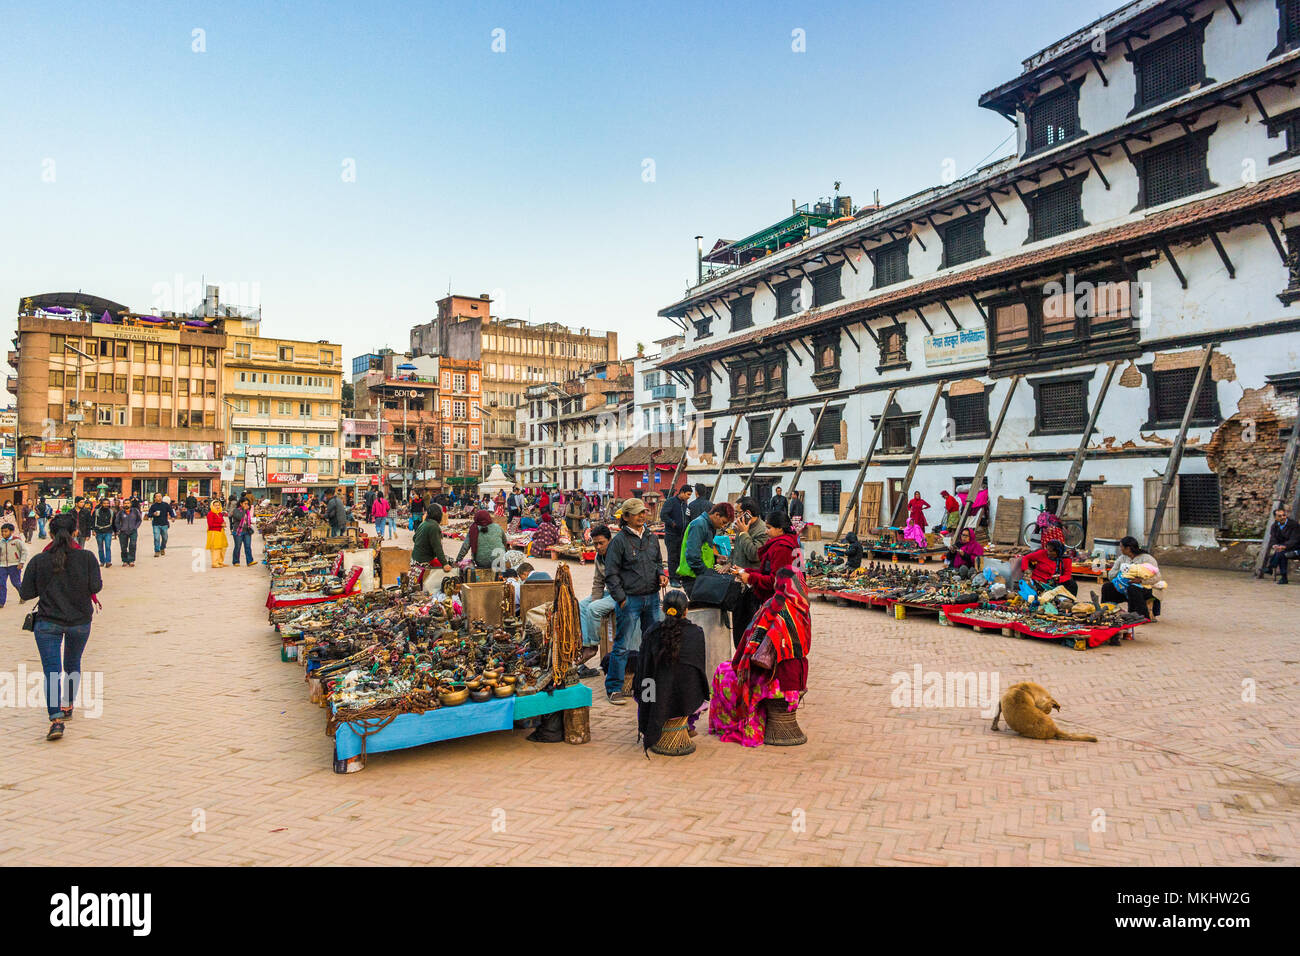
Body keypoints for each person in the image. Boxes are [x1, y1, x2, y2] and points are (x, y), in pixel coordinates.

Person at [19, 513, 102, 741]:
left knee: (51, 672)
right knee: (73, 664)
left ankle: (55, 720)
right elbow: (96, 585)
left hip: (47, 623)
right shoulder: (87, 557)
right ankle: (67, 706)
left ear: (51, 533)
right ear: (76, 532)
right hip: (80, 622)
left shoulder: (39, 560)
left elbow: (26, 593)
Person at [709, 568, 811, 747]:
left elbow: (752, 642)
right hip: (799, 675)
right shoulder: (803, 606)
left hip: (777, 678)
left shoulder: (775, 606)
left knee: (723, 672)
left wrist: (740, 661)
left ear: (778, 583)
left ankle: (730, 723)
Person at [602, 498, 666, 705]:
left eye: (643, 512)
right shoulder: (618, 541)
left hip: (653, 598)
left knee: (653, 643)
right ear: (626, 517)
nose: (642, 516)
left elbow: (657, 561)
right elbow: (611, 574)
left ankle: (650, 685)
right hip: (630, 600)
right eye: (637, 513)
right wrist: (621, 599)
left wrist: (661, 574)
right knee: (622, 645)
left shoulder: (651, 536)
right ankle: (613, 688)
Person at [633, 589, 710, 753]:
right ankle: (687, 724)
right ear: (686, 611)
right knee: (690, 681)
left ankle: (654, 726)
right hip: (687, 698)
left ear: (663, 609)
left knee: (646, 684)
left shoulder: (652, 633)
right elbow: (699, 672)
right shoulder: (696, 633)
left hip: (654, 697)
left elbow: (643, 669)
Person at [577, 525, 616, 673]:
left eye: (601, 543)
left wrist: (596, 605)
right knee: (581, 605)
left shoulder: (617, 553)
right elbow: (598, 582)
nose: (598, 547)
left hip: (622, 594)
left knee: (593, 609)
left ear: (609, 540)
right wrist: (595, 599)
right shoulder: (598, 558)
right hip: (609, 592)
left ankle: (593, 646)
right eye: (595, 544)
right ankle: (586, 643)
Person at [678, 502, 735, 596]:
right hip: (694, 578)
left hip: (700, 576)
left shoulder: (709, 526)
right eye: (724, 522)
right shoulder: (699, 525)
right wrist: (708, 574)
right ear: (717, 515)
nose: (723, 526)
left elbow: (703, 550)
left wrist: (716, 557)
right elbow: (693, 556)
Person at [1102, 536, 1162, 617]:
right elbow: (1111, 575)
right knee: (1107, 587)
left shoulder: (1147, 559)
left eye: (1121, 547)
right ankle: (1108, 610)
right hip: (1123, 587)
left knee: (1133, 588)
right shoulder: (1122, 558)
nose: (1120, 549)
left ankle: (1142, 615)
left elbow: (1157, 577)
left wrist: (1141, 581)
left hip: (1145, 589)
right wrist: (1123, 574)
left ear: (1128, 548)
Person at [661, 484, 690, 587]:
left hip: (681, 536)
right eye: (687, 494)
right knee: (672, 557)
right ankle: (673, 579)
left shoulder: (685, 504)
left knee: (679, 557)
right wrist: (672, 523)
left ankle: (678, 577)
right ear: (681, 492)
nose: (688, 497)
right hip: (671, 535)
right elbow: (663, 515)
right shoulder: (671, 502)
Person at [1264, 507, 1300, 584]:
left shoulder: (1293, 525)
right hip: (1283, 547)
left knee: (1281, 553)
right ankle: (1283, 577)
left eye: (1284, 515)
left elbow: (1295, 539)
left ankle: (1272, 567)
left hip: (1295, 546)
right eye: (1279, 516)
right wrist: (1275, 545)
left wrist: (1284, 546)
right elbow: (1273, 538)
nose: (1282, 517)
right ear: (1275, 518)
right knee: (1281, 553)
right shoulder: (1274, 526)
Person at [732, 497, 769, 571]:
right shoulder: (743, 525)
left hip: (751, 576)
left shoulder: (763, 531)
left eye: (737, 513)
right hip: (738, 572)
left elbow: (755, 555)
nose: (735, 517)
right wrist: (729, 562)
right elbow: (736, 550)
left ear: (747, 513)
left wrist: (744, 533)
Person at [0, 522, 29, 608]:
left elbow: (24, 551)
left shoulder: (17, 541)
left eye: (6, 531)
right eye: (2, 531)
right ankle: (1, 602)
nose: (3, 533)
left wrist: (21, 562)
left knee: (16, 582)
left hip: (15, 565)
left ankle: (23, 596)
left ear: (11, 532)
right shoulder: (1, 542)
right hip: (2, 565)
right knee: (1, 583)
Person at [114, 498, 142, 567]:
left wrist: (136, 527)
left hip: (133, 531)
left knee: (132, 545)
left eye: (128, 503)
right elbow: (116, 522)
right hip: (123, 531)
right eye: (125, 503)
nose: (127, 504)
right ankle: (125, 560)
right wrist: (119, 529)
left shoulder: (135, 511)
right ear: (123, 504)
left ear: (131, 504)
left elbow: (139, 520)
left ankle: (131, 560)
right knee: (123, 547)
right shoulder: (120, 513)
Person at [229, 498, 254, 566]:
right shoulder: (236, 510)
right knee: (238, 546)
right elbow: (240, 517)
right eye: (245, 503)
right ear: (241, 503)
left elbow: (249, 519)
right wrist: (244, 510)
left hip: (247, 531)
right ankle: (236, 561)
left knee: (248, 546)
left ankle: (250, 561)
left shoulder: (248, 511)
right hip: (238, 531)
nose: (246, 505)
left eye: (247, 504)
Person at [91, 498, 115, 567]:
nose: (106, 505)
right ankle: (102, 561)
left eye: (107, 503)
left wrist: (115, 532)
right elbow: (93, 522)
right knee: (100, 547)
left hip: (108, 531)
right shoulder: (96, 512)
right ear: (101, 504)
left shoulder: (111, 512)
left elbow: (113, 522)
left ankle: (108, 561)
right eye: (104, 503)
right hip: (99, 531)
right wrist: (93, 530)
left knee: (108, 546)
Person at [206, 500, 229, 568]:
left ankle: (220, 561)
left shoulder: (219, 513)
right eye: (215, 505)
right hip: (214, 532)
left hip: (221, 532)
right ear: (212, 506)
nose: (217, 507)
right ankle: (214, 562)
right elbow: (210, 525)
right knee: (215, 548)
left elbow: (222, 521)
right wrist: (220, 525)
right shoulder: (210, 514)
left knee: (223, 547)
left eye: (218, 505)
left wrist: (224, 524)